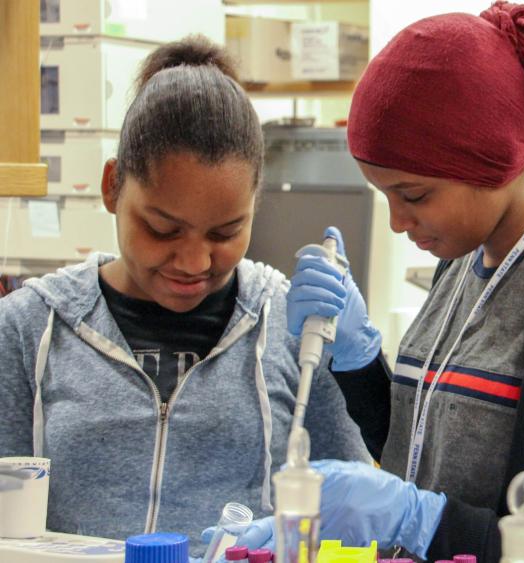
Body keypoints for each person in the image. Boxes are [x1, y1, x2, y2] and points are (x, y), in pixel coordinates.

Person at [226, 2, 524, 561]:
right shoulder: (461, 265)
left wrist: (420, 520)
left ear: (489, 162)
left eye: (414, 195)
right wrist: (357, 361)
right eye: (384, 195)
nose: (397, 222)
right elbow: (421, 454)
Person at [0, 36, 369, 554]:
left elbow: (357, 517)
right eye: (163, 229)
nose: (194, 263)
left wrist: (362, 371)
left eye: (224, 233)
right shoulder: (28, 329)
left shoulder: (291, 330)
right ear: (112, 188)